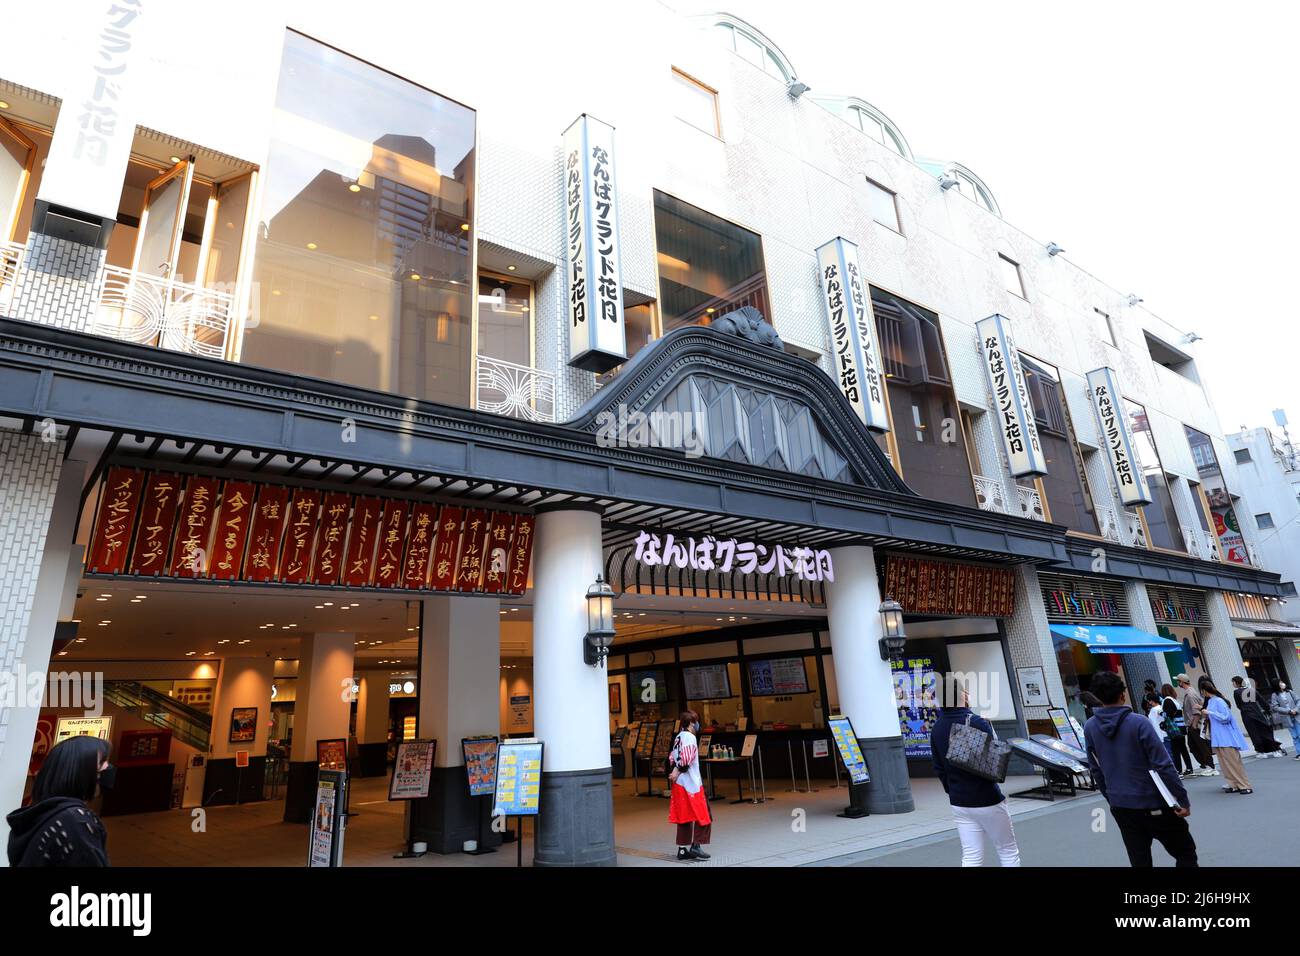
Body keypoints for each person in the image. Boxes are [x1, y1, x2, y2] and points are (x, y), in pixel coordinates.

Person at [1083, 671, 1197, 867]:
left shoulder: (1090, 727)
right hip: (1154, 801)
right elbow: (1163, 765)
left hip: (1121, 805)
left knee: (1140, 860)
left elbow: (1096, 769)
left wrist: (1111, 797)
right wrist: (1181, 798)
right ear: (1122, 694)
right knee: (1185, 853)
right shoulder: (1138, 722)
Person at [930, 684, 1021, 867]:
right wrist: (989, 727)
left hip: (959, 802)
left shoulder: (937, 727)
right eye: (965, 691)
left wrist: (953, 789)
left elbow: (939, 768)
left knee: (971, 856)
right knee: (1007, 851)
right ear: (960, 696)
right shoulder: (977, 721)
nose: (968, 694)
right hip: (987, 798)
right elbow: (995, 756)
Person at [7, 735, 112, 867]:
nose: (107, 767)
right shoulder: (76, 821)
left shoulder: (37, 817)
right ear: (80, 772)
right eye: (102, 763)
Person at [667, 709, 711, 862]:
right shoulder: (690, 737)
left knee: (684, 816)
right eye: (696, 721)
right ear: (692, 723)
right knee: (704, 814)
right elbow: (686, 759)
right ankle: (696, 845)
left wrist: (675, 773)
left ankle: (682, 849)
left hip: (679, 785)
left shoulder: (678, 737)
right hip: (692, 784)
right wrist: (678, 771)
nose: (698, 724)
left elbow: (673, 757)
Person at [1203, 681, 1253, 794]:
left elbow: (1226, 717)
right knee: (1224, 764)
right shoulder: (1211, 701)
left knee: (1233, 763)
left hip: (1226, 737)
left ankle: (1245, 785)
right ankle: (1233, 784)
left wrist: (1209, 712)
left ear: (1204, 690)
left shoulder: (1219, 701)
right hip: (1218, 737)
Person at [1175, 675, 1217, 776]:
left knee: (1200, 745)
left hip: (1194, 724)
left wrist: (1193, 725)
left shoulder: (1190, 694)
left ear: (1182, 682)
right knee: (1193, 745)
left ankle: (1210, 766)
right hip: (1192, 724)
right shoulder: (1190, 692)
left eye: (1178, 681)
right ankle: (1206, 764)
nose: (1177, 683)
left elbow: (1196, 712)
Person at [1232, 676, 1283, 757]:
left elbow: (1238, 705)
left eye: (1233, 682)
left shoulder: (1236, 692)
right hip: (1257, 713)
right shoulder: (1252, 690)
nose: (1233, 684)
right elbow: (1262, 701)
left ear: (1237, 683)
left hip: (1246, 715)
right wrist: (1267, 709)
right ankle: (1275, 751)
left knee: (1254, 733)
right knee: (1265, 731)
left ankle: (1261, 752)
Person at [1159, 684, 1193, 776]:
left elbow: (1169, 714)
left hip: (1174, 729)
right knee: (1183, 749)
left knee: (1175, 750)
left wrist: (1161, 713)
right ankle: (1189, 768)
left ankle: (1178, 771)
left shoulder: (1167, 700)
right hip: (1181, 727)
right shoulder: (1175, 700)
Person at [1270, 680, 1300, 758]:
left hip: (1297, 716)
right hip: (1287, 718)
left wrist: (1296, 709)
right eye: (1280, 683)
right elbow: (1275, 707)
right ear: (1277, 685)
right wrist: (1288, 711)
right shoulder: (1274, 695)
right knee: (1295, 736)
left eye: (1282, 682)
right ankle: (1299, 753)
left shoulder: (1289, 692)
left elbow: (1298, 700)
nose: (1282, 684)